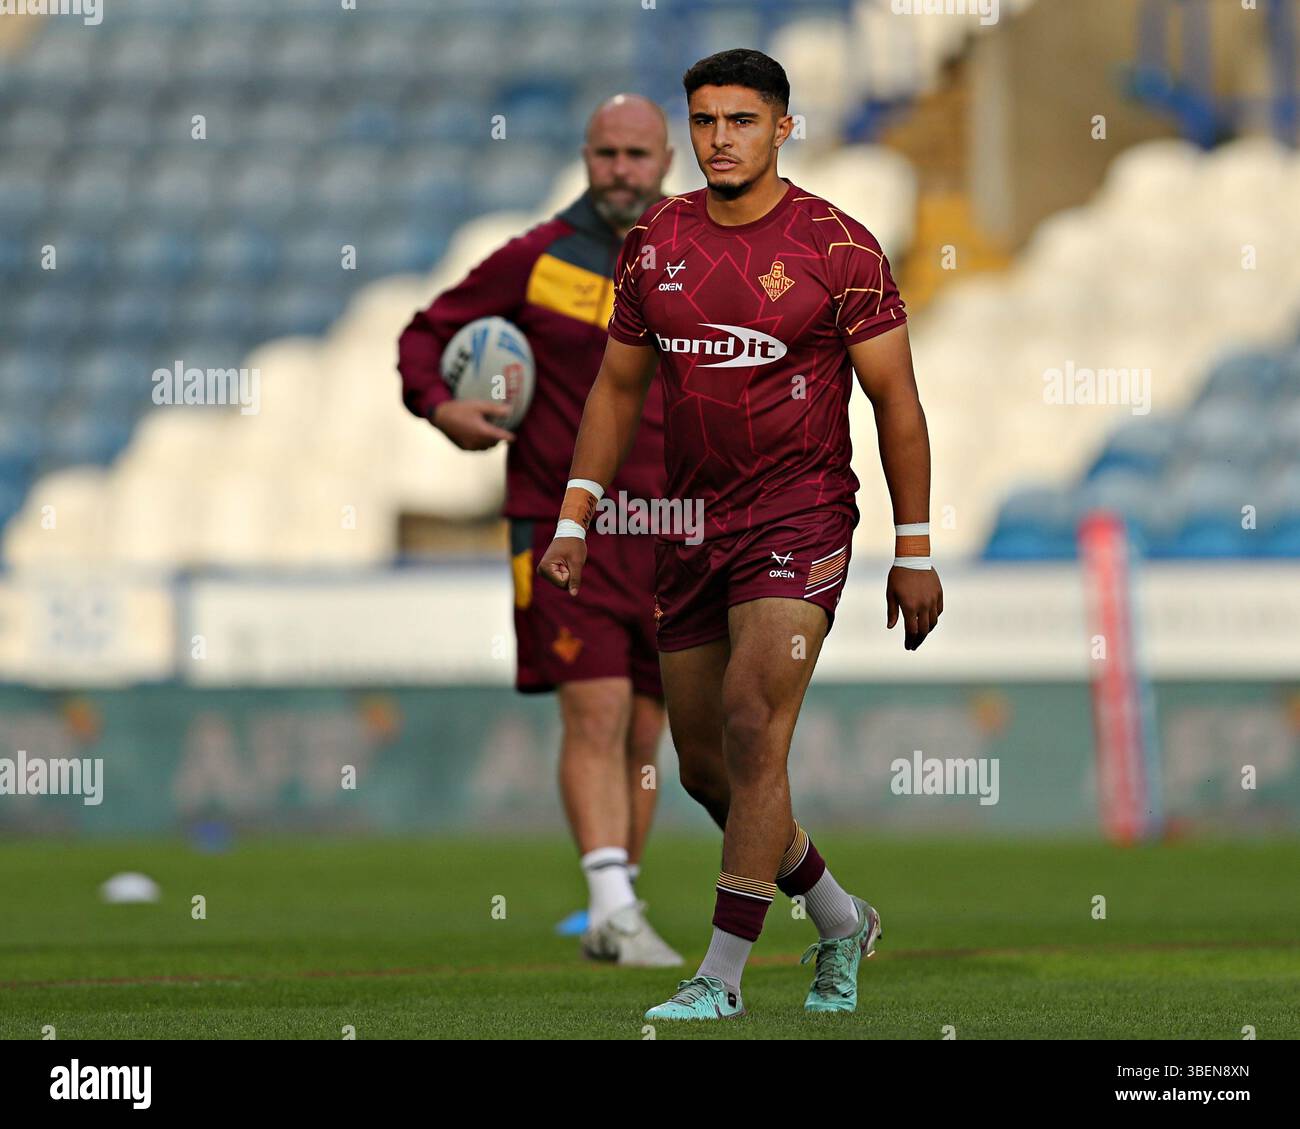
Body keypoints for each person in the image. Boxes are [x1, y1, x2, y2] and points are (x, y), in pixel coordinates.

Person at [538, 50, 943, 1018]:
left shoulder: (837, 247)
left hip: (800, 514)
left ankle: (719, 977)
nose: (720, 139)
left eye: (742, 121)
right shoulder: (656, 241)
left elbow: (895, 400)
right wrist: (574, 515)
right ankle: (840, 917)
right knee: (707, 767)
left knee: (757, 726)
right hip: (688, 524)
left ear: (783, 128)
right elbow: (617, 389)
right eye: (705, 121)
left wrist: (915, 549)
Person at [398, 94, 682, 966]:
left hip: (675, 528)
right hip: (561, 528)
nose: (621, 170)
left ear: (666, 161)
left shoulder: (697, 256)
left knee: (646, 731)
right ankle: (614, 907)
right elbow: (425, 335)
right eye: (606, 153)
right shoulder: (537, 258)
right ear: (586, 157)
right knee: (595, 710)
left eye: (637, 154)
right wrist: (442, 406)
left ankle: (618, 907)